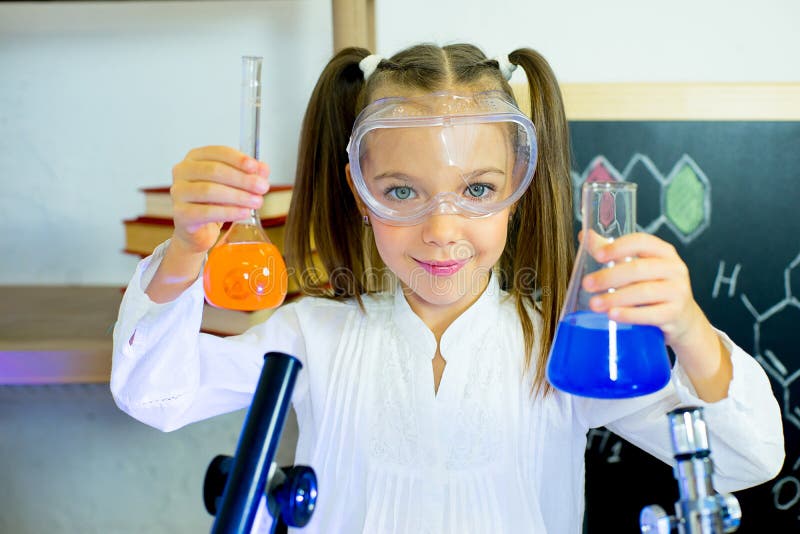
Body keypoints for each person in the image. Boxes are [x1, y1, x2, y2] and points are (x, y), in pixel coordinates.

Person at [111, 44, 784, 533]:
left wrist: (689, 329)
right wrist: (186, 249)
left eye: (478, 190)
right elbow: (154, 394)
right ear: (361, 192)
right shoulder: (311, 335)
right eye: (402, 191)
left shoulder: (561, 351)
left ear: (518, 189)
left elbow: (743, 460)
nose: (441, 230)